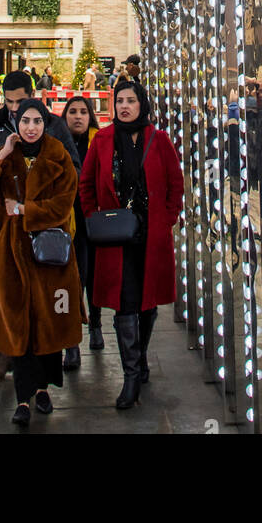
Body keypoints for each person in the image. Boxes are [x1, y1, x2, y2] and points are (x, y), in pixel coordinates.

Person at [0, 99, 83, 427]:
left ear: (46, 123)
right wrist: (2, 153)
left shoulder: (58, 154)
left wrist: (23, 210)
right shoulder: (8, 157)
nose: (31, 127)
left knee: (48, 322)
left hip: (49, 255)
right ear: (16, 124)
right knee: (18, 325)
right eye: (25, 121)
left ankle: (44, 388)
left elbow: (63, 205)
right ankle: (22, 397)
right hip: (12, 256)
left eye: (37, 121)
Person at [79, 79, 184, 409]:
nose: (124, 106)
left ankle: (138, 360)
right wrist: (93, 216)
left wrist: (167, 218)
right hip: (115, 236)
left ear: (142, 104)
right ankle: (131, 375)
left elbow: (174, 184)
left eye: (131, 101)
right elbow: (86, 184)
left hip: (150, 235)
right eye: (120, 100)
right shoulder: (103, 140)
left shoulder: (159, 140)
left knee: (147, 302)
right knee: (125, 302)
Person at [61, 95, 103, 367]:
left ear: (90, 116)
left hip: (93, 220)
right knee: (70, 281)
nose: (78, 116)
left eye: (83, 112)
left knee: (93, 275)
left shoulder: (99, 142)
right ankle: (71, 340)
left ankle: (96, 325)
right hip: (66, 221)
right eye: (73, 112)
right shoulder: (57, 144)